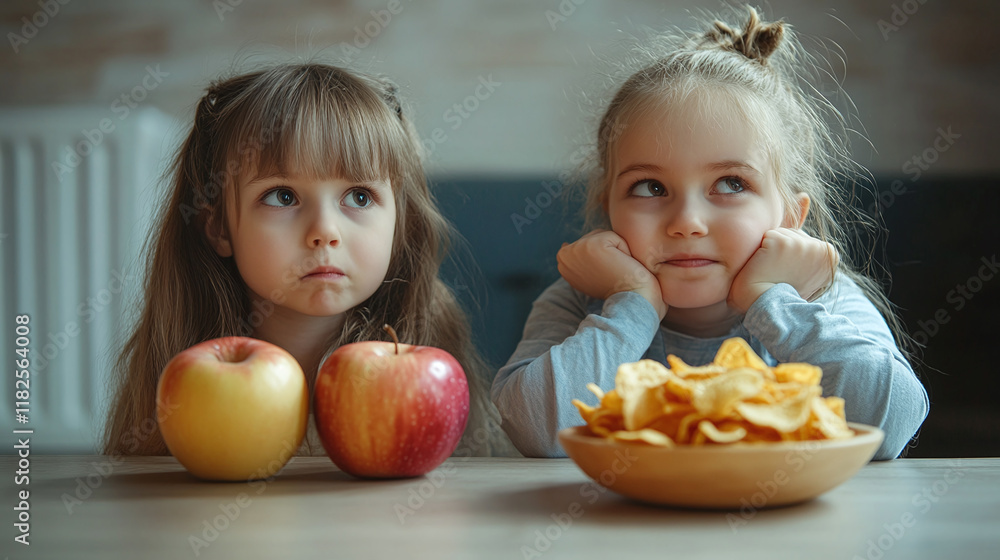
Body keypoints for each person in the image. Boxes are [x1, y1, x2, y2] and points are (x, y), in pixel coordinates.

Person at [491, 6, 928, 461]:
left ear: (789, 217)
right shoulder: (582, 302)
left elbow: (890, 423)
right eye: (650, 187)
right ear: (610, 213)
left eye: (731, 184)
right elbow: (536, 429)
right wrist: (632, 302)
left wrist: (770, 301)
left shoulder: (818, 299)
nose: (687, 221)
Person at [103, 62, 513, 458]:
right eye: (283, 196)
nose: (325, 231)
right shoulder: (187, 389)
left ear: (398, 223)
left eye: (359, 196)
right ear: (219, 228)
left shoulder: (428, 376)